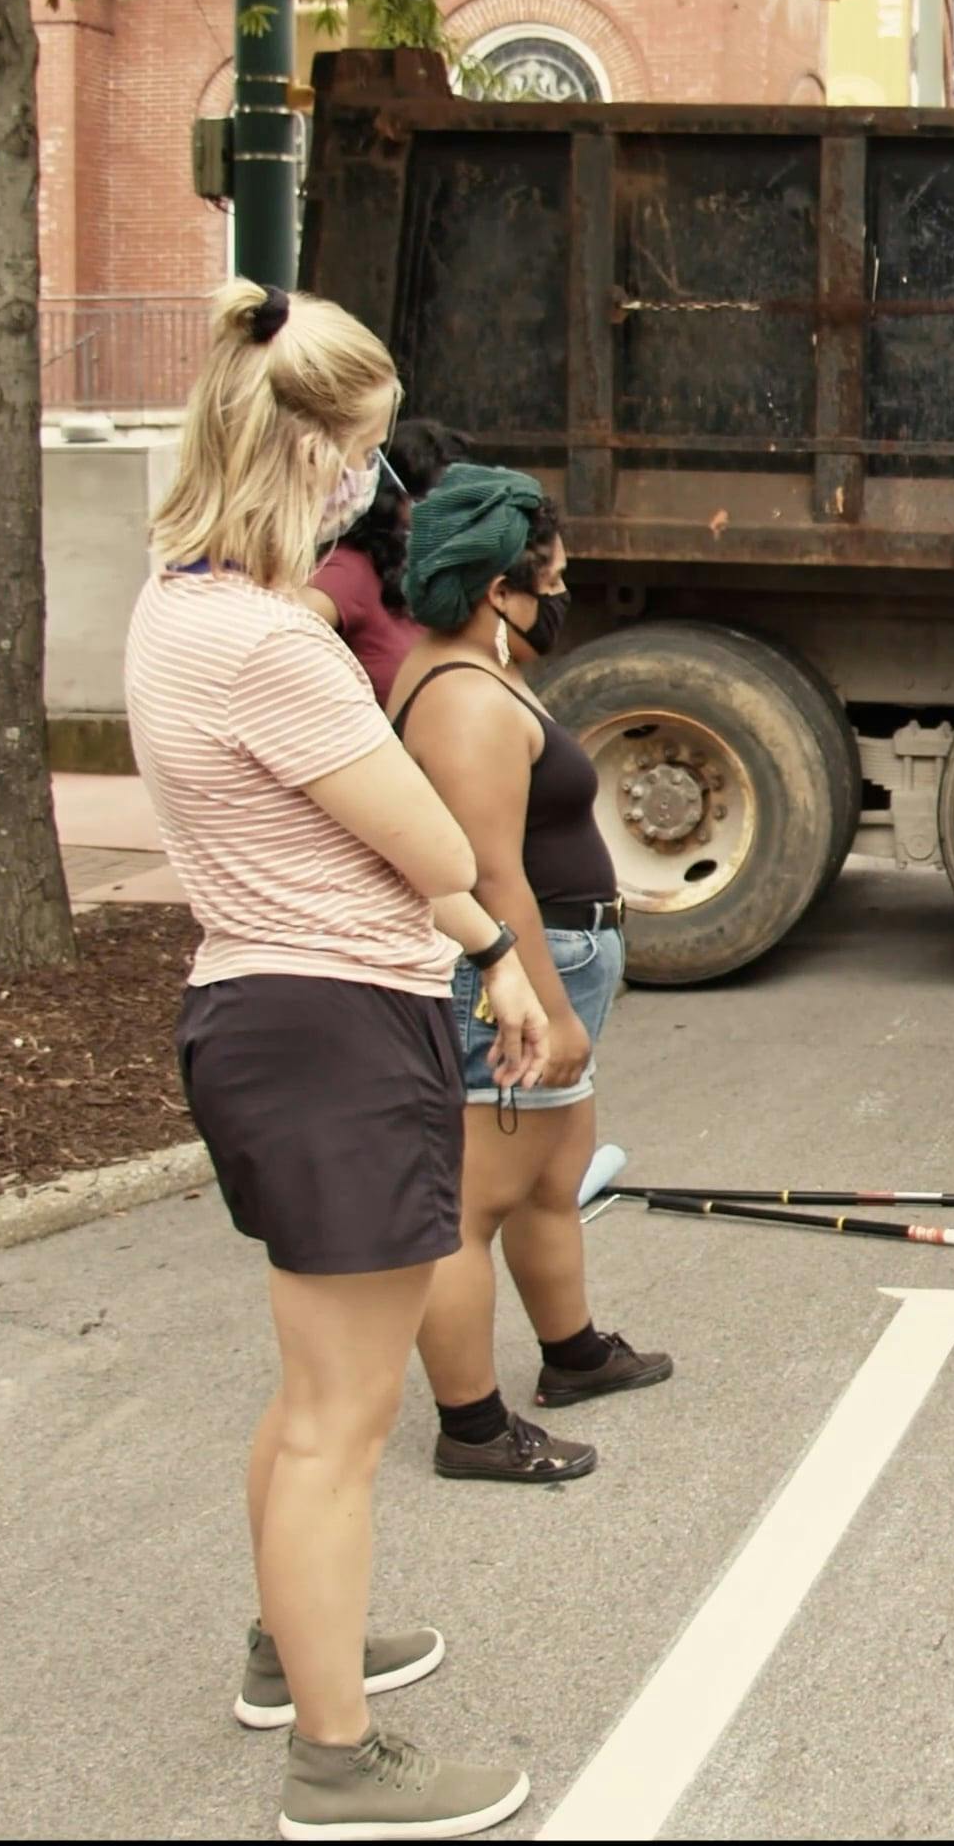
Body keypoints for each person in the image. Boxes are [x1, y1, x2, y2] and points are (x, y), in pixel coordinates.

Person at [125, 279, 553, 1841]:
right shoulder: (274, 651)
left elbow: (377, 833)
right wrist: (492, 947)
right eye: (364, 453)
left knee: (313, 1392)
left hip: (265, 1016)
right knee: (339, 1424)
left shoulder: (181, 609)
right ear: (301, 454)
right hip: (329, 1028)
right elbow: (427, 834)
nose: (375, 488)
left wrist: (481, 949)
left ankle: (288, 1647)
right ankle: (335, 1755)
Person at [387, 466, 668, 1484]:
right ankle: (471, 1426)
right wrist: (548, 1006)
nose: (560, 595)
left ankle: (575, 1353)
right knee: (473, 1204)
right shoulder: (459, 697)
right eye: (549, 579)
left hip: (568, 955)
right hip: (514, 975)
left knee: (553, 1177)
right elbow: (488, 869)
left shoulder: (476, 667)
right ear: (496, 586)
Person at [312, 419, 474, 698]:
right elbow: (278, 632)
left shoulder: (434, 572)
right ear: (394, 499)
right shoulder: (350, 572)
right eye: (440, 504)